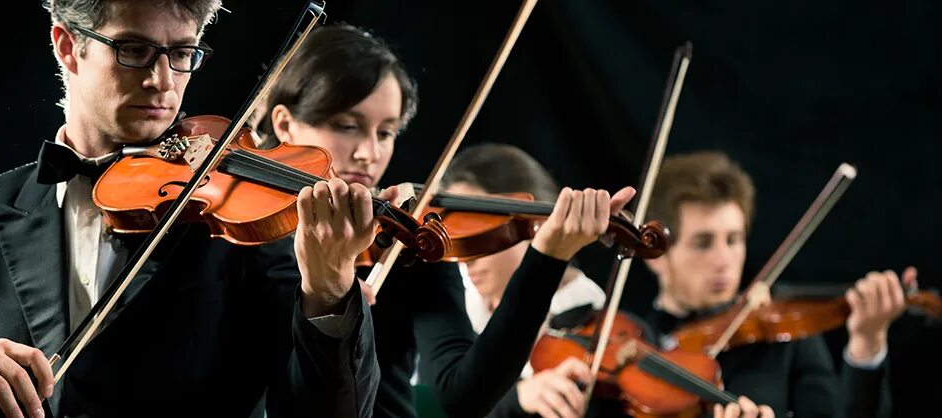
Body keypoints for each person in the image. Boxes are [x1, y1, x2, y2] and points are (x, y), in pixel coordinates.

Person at [0, 1, 379, 417]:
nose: (163, 81)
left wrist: (328, 291)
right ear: (68, 47)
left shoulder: (238, 214)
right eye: (134, 50)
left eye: (182, 53)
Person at [250, 23, 637, 418]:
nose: (369, 152)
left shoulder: (408, 241)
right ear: (284, 123)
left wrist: (548, 258)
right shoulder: (227, 232)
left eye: (386, 132)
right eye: (348, 126)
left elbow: (461, 396)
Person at [443, 143, 774, 418]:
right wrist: (517, 398)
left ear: (536, 228)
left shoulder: (595, 323)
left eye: (483, 234)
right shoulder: (450, 308)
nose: (468, 253)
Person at [640, 150, 912, 418]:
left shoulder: (786, 337)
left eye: (734, 239)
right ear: (655, 256)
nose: (724, 260)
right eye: (703, 243)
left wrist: (867, 344)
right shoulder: (629, 348)